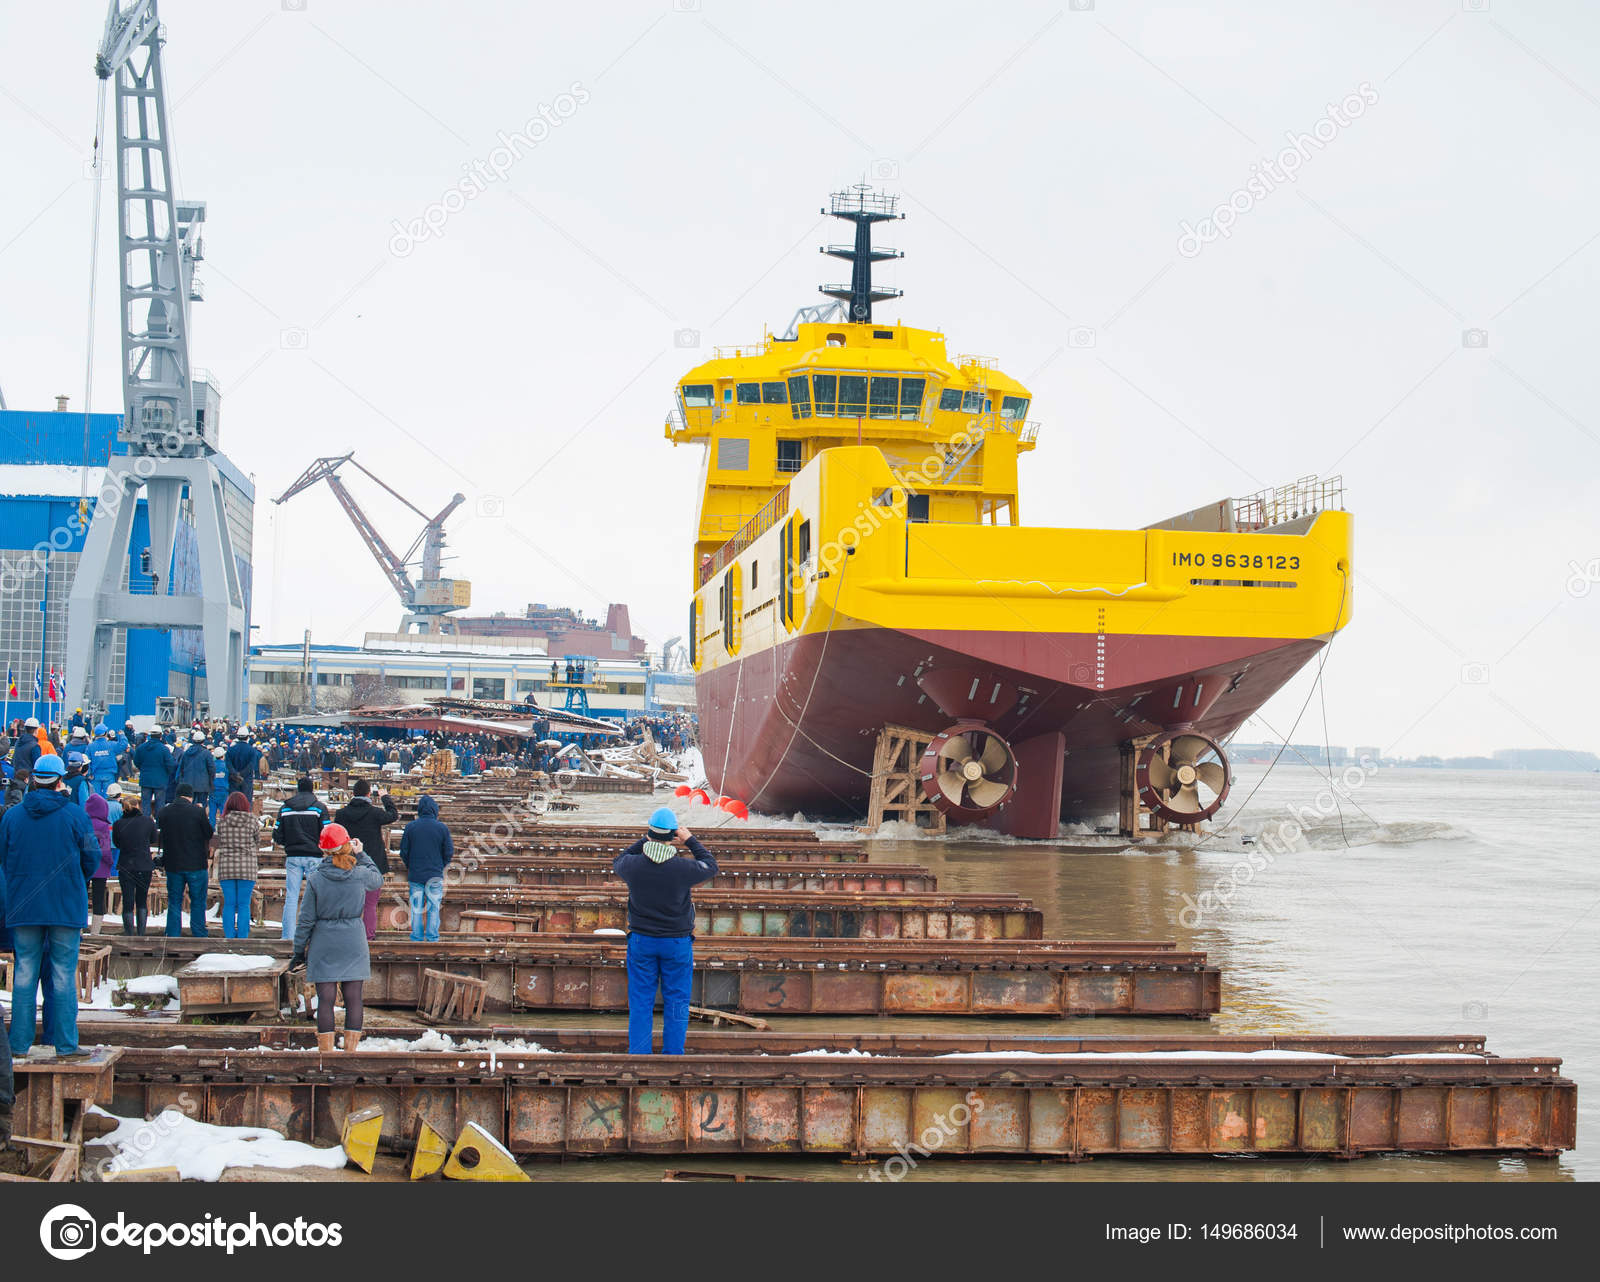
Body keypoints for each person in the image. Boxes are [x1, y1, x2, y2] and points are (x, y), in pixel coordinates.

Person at [0, 754, 99, 1059]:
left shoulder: (12, 817)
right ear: (60, 781)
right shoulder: (75, 816)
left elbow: (4, 857)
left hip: (23, 908)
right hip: (65, 908)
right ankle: (66, 1044)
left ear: (31, 780)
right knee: (63, 975)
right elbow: (91, 859)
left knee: (25, 974)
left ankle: (18, 1044)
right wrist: (71, 881)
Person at [611, 807, 718, 1055]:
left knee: (640, 1004)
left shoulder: (632, 866)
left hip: (641, 943)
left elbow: (619, 859)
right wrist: (690, 839)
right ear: (672, 836)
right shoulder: (683, 869)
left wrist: (644, 840)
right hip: (677, 945)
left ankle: (639, 1058)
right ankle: (673, 1057)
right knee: (677, 1004)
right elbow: (711, 865)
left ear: (649, 833)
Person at [289, 823, 382, 1053]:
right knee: (353, 999)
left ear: (324, 850)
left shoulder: (315, 879)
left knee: (326, 1000)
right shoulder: (359, 874)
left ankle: (326, 1053)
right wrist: (362, 854)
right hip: (353, 939)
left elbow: (306, 920)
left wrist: (298, 951)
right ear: (347, 845)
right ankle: (350, 1052)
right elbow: (377, 879)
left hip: (324, 941)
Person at [334, 780, 399, 940]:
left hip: (348, 863)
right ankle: (368, 937)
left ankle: (348, 935)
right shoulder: (374, 813)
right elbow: (393, 815)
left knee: (348, 903)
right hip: (372, 865)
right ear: (369, 794)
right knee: (370, 904)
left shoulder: (341, 814)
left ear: (353, 794)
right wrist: (385, 798)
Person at [274, 777, 328, 941]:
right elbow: (326, 832)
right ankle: (314, 936)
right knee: (315, 897)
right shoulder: (319, 808)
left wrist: (287, 843)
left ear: (298, 789)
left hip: (293, 856)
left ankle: (288, 936)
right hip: (314, 856)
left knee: (291, 896)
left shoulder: (285, 808)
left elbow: (277, 835)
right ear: (312, 789)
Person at [155, 784, 213, 937]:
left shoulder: (164, 812)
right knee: (198, 901)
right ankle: (199, 933)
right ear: (190, 796)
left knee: (174, 901)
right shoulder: (197, 812)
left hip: (173, 864)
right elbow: (208, 833)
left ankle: (173, 934)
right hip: (196, 864)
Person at [398, 795, 452, 942]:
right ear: (435, 810)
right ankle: (432, 938)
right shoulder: (442, 828)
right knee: (434, 908)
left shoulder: (411, 827)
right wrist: (441, 866)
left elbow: (404, 851)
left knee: (416, 908)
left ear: (420, 810)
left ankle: (416, 938)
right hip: (435, 874)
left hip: (416, 875)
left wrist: (410, 865)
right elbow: (448, 852)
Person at [111, 794, 159, 936]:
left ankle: (129, 932)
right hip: (144, 865)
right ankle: (141, 933)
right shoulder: (148, 822)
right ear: (137, 806)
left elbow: (118, 843)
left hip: (126, 865)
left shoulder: (118, 824)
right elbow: (153, 839)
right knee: (141, 899)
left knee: (128, 900)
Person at [213, 792, 258, 939]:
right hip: (247, 868)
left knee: (229, 904)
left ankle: (230, 937)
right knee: (244, 904)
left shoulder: (222, 822)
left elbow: (220, 840)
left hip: (227, 868)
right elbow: (257, 842)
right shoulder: (252, 821)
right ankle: (243, 938)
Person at [85, 792, 114, 934]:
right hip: (101, 868)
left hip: (84, 867)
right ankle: (95, 932)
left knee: (82, 898)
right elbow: (105, 849)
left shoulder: (84, 822)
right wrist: (110, 862)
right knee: (98, 899)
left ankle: (79, 928)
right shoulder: (103, 826)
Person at [132, 731, 175, 819]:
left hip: (145, 780)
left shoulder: (141, 748)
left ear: (150, 736)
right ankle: (159, 826)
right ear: (160, 736)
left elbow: (136, 761)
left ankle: (145, 825)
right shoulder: (164, 749)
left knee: (145, 804)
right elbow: (171, 764)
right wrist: (165, 773)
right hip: (160, 781)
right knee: (160, 805)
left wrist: (143, 769)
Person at [176, 729, 216, 799]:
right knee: (201, 807)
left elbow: (180, 769)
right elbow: (212, 769)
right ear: (203, 740)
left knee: (189, 807)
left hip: (188, 785)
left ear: (193, 740)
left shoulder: (186, 753)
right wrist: (211, 782)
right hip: (203, 785)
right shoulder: (206, 753)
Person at [224, 731, 263, 802]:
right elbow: (251, 765)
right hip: (246, 780)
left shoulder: (230, 750)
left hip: (233, 780)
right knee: (246, 803)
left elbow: (228, 764)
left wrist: (235, 774)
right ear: (247, 737)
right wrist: (242, 774)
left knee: (234, 803)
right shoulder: (252, 750)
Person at [87, 725, 120, 797]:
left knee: (95, 798)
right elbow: (123, 745)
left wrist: (89, 774)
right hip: (109, 775)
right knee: (108, 796)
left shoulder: (90, 746)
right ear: (105, 733)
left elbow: (87, 761)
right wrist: (122, 735)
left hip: (95, 776)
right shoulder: (111, 744)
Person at [207, 748, 231, 823]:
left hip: (213, 790)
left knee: (212, 811)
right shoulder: (226, 766)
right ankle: (224, 827)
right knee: (223, 811)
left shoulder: (211, 765)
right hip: (224, 790)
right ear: (223, 756)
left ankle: (211, 828)